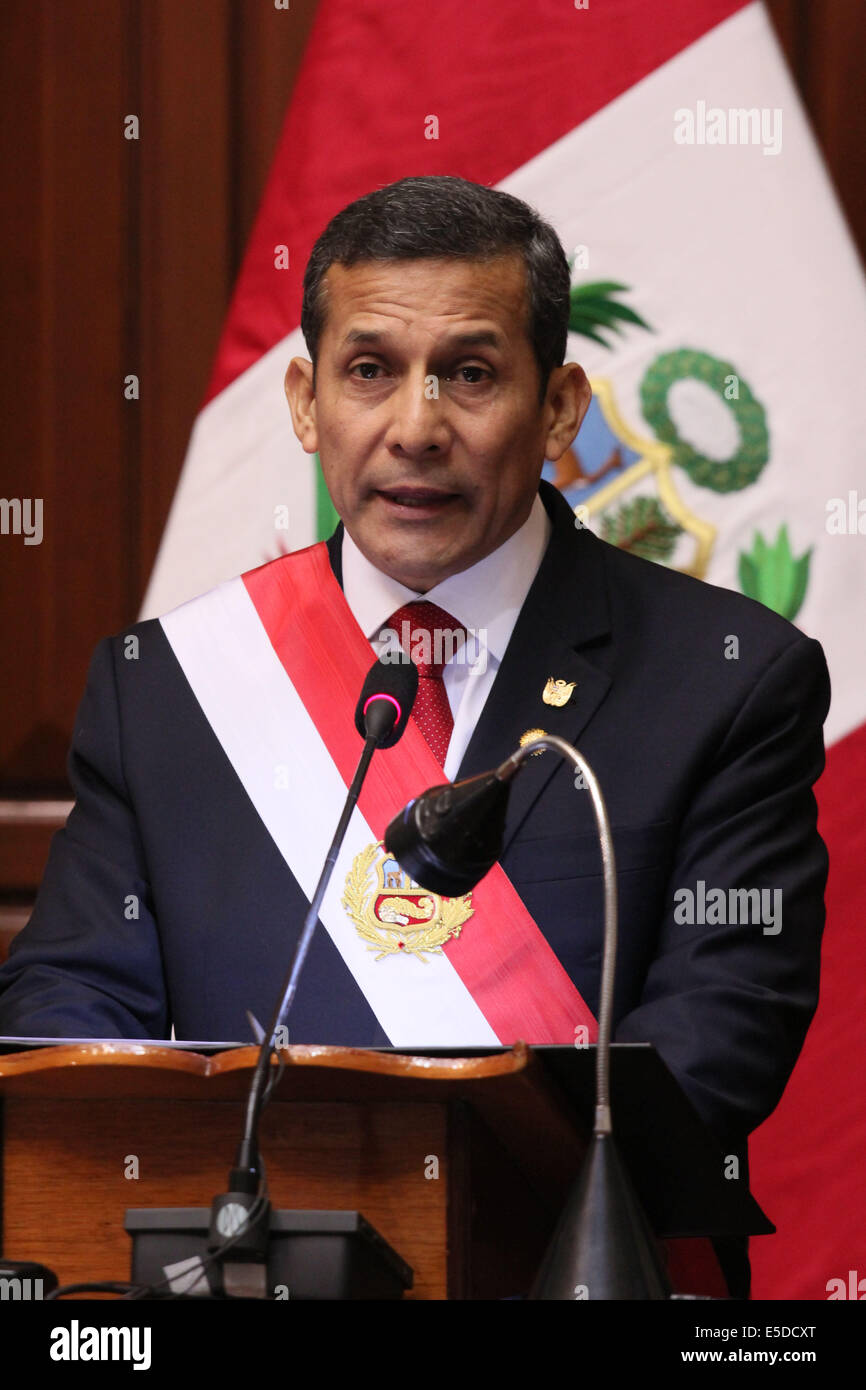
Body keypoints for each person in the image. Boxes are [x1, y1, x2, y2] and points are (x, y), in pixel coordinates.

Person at [0, 177, 830, 1298]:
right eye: (369, 370)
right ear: (306, 403)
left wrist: (430, 1196)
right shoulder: (167, 687)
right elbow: (68, 1013)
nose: (415, 427)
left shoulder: (725, 680)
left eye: (471, 374)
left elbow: (716, 1041)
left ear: (559, 409)